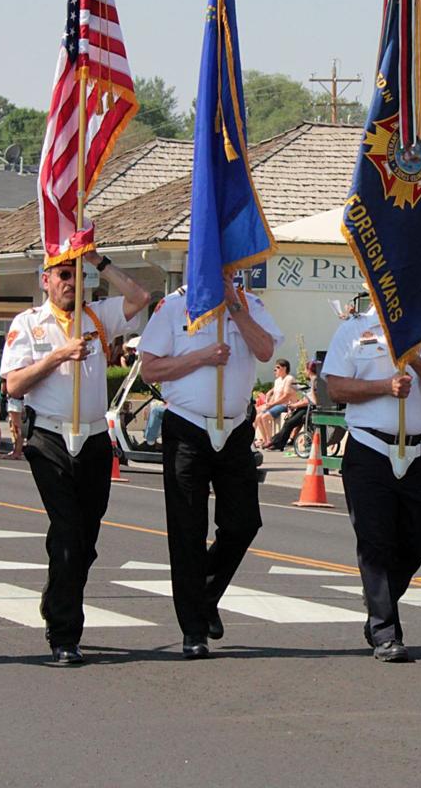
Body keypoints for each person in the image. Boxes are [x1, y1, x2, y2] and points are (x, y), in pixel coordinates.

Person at [0, 251, 149, 665]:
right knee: (67, 531)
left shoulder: (98, 316)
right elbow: (13, 384)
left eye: (78, 276)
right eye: (64, 275)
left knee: (85, 539)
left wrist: (100, 262)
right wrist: (58, 356)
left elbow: (140, 297)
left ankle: (56, 596)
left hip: (95, 439)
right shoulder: (28, 324)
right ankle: (66, 634)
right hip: (49, 437)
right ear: (45, 280)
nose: (71, 282)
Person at [139, 276, 281, 660]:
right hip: (187, 427)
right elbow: (150, 370)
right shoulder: (173, 307)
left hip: (234, 428)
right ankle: (193, 629)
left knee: (244, 522)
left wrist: (235, 306)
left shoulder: (248, 304)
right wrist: (200, 358)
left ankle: (205, 594)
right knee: (187, 529)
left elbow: (266, 350)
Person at [322, 297, 421, 663]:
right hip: (370, 448)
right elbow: (336, 387)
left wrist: (412, 357)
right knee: (375, 540)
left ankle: (379, 595)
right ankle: (385, 632)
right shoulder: (353, 330)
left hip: (416, 451)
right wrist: (383, 386)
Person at [266, 360, 319, 452]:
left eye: (305, 370)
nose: (305, 372)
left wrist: (294, 405)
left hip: (310, 408)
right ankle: (276, 442)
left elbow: (310, 400)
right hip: (307, 407)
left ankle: (275, 441)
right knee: (289, 422)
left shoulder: (315, 381)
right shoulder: (315, 380)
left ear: (309, 370)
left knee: (290, 423)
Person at [253, 359, 298, 447]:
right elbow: (275, 395)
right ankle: (265, 440)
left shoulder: (289, 379)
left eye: (277, 367)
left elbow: (286, 396)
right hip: (276, 404)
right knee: (258, 415)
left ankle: (271, 441)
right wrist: (268, 404)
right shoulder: (277, 381)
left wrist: (272, 404)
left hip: (285, 405)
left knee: (265, 416)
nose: (275, 370)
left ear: (284, 368)